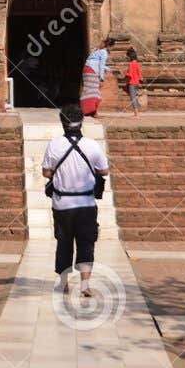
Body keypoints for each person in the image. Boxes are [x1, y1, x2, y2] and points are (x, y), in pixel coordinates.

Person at [42, 102, 109, 297]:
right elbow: (104, 170)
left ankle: (63, 284)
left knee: (63, 243)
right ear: (82, 122)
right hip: (86, 204)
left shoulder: (54, 145)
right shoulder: (92, 145)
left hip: (62, 204)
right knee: (86, 243)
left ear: (62, 123)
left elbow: (47, 172)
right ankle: (85, 286)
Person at [80, 36, 114, 116]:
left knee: (88, 91)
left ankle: (85, 111)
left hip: (86, 70)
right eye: (112, 47)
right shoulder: (104, 52)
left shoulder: (96, 49)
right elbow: (101, 65)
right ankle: (94, 113)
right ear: (110, 46)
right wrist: (101, 78)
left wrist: (110, 69)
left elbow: (95, 62)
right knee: (95, 92)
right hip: (92, 71)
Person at [125, 46, 143, 115]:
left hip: (131, 83)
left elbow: (129, 74)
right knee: (135, 96)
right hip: (136, 83)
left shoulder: (131, 64)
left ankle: (136, 112)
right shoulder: (137, 64)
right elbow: (139, 74)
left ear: (130, 57)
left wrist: (124, 76)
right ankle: (136, 111)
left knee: (133, 97)